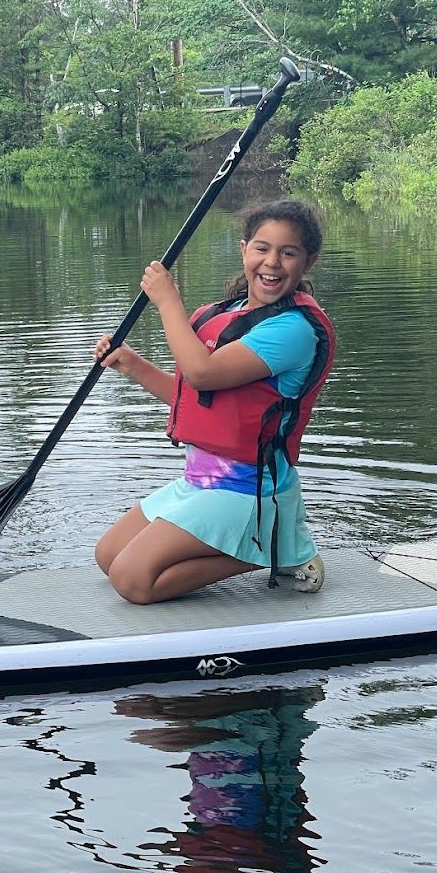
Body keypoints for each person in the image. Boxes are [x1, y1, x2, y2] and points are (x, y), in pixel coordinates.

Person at [93, 199, 335, 605]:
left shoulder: (293, 331)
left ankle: (278, 549)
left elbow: (201, 372)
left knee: (133, 581)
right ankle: (266, 547)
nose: (272, 262)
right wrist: (133, 365)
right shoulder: (222, 314)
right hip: (199, 482)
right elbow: (195, 399)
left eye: (288, 252)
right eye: (262, 248)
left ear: (307, 262)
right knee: (108, 556)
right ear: (244, 250)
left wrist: (168, 300)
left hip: (249, 492)